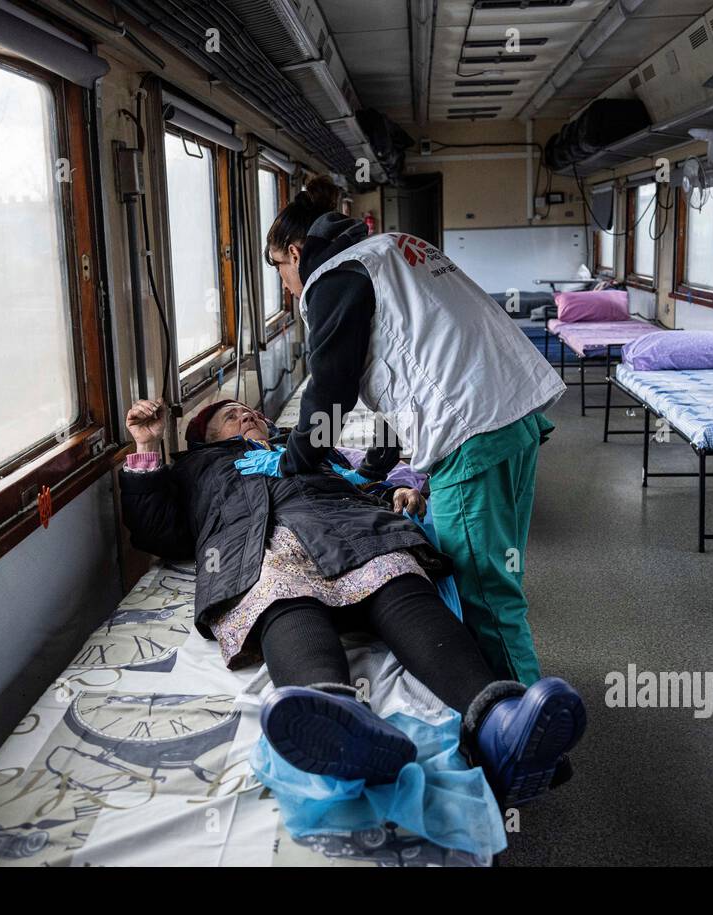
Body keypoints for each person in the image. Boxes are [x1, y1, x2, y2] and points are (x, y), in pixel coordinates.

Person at [120, 396, 585, 804]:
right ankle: (335, 721)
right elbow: (158, 531)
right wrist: (146, 446)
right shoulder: (197, 467)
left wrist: (398, 489)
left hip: (350, 527)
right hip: (258, 545)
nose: (245, 414)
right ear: (205, 439)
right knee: (280, 599)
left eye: (250, 411)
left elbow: (358, 478)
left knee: (400, 581)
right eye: (229, 414)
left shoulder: (307, 451)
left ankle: (500, 722)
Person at [252, 174, 564, 685]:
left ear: (295, 250)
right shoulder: (390, 248)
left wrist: (293, 464)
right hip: (511, 412)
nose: (285, 283)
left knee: (482, 592)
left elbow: (331, 392)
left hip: (471, 433)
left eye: (279, 268)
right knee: (497, 578)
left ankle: (524, 728)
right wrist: (376, 465)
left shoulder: (331, 277)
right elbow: (418, 367)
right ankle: (513, 698)